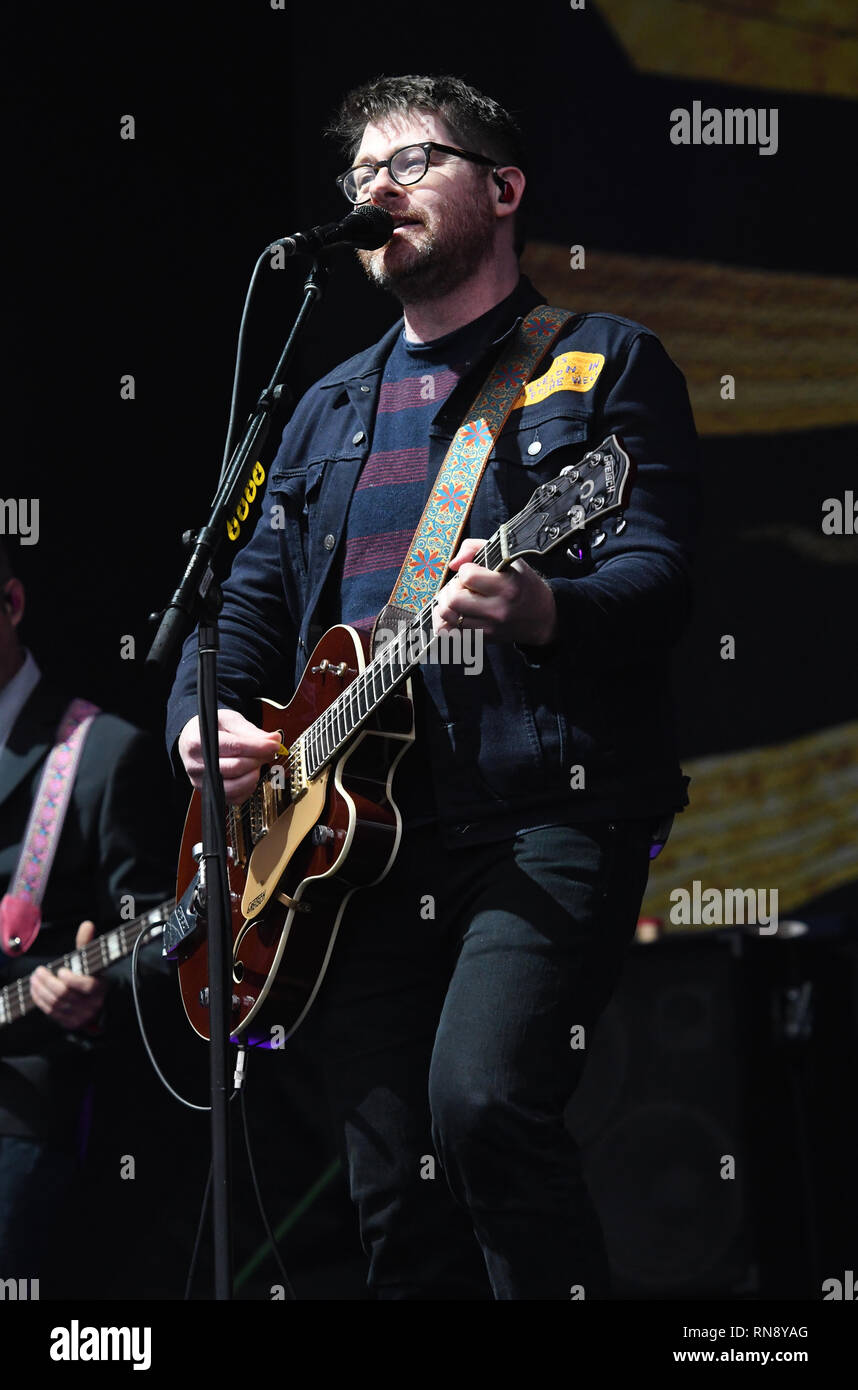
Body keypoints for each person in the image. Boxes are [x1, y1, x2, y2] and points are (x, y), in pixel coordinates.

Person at [166, 74, 701, 1300]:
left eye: (410, 164)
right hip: (349, 849)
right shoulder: (318, 410)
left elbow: (661, 576)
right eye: (359, 175)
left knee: (485, 1102)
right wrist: (211, 727)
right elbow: (240, 611)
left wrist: (549, 605)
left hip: (540, 813)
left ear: (503, 189)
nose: (374, 191)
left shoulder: (599, 363)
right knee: (390, 1188)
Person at [0, 539, 175, 1287]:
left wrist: (101, 995)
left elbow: (163, 935)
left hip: (27, 1109)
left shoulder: (101, 754)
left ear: (10, 605)